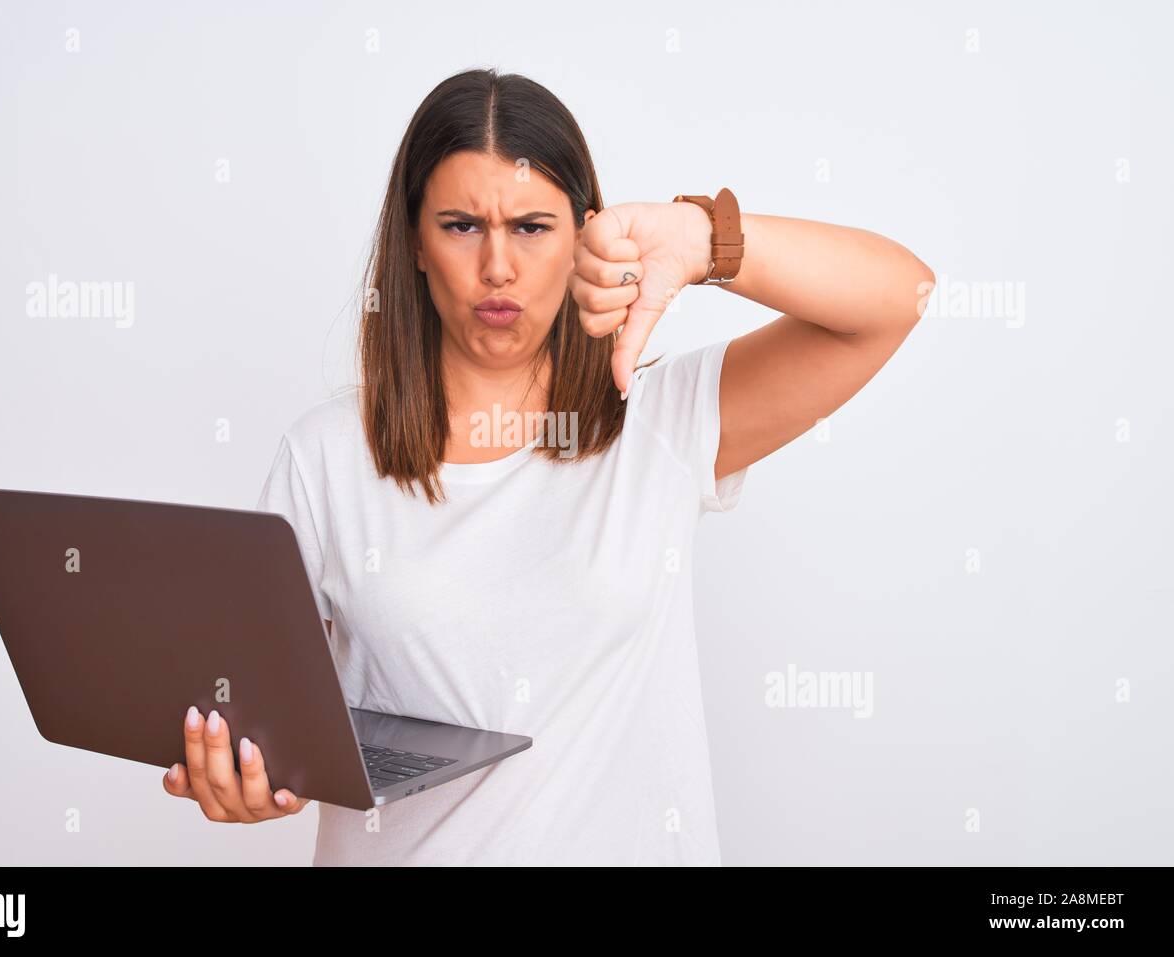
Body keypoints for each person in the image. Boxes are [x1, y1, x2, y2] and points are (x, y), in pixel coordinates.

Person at [161, 67, 935, 865]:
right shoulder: (325, 457)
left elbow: (898, 296)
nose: (497, 266)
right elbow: (251, 716)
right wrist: (242, 769)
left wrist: (702, 238)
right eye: (462, 225)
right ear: (415, 243)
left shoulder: (660, 423)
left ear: (583, 239)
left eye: (532, 226)